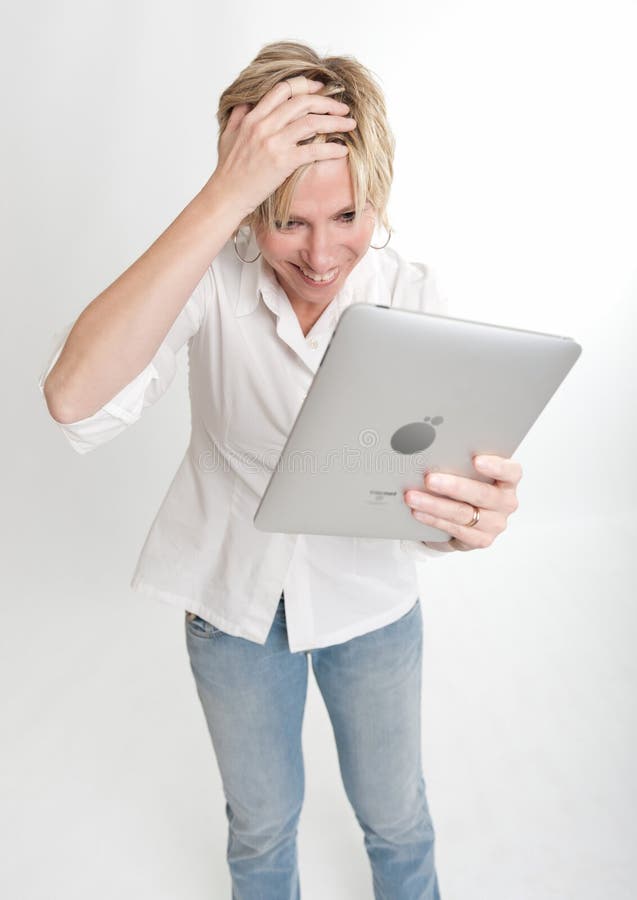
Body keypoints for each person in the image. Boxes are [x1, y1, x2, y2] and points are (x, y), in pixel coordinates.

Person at [39, 40, 522, 900]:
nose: (321, 255)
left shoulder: (411, 293)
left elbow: (438, 491)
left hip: (371, 603)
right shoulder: (209, 281)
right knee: (260, 831)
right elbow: (74, 397)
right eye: (285, 219)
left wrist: (469, 522)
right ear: (245, 210)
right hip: (232, 606)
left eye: (347, 216)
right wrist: (221, 198)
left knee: (396, 818)